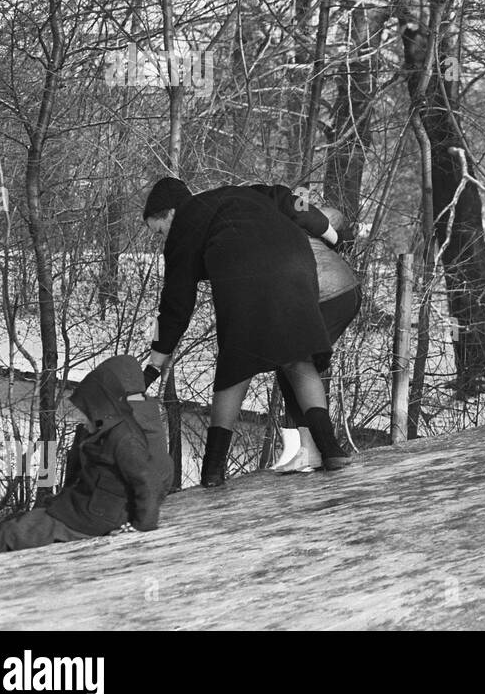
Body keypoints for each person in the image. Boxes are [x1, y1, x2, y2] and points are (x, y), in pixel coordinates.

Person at [141, 177, 349, 487]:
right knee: (298, 358)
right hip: (296, 264)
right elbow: (292, 199)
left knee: (236, 368)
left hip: (243, 275)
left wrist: (154, 364)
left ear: (170, 212)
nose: (162, 238)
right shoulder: (241, 193)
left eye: (159, 230)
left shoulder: (182, 229)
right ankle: (331, 450)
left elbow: (175, 305)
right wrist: (331, 234)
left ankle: (212, 471)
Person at [0, 356, 169, 558]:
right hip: (84, 506)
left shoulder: (129, 430)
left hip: (94, 516)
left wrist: (139, 525)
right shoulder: (123, 417)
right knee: (25, 521)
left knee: (21, 531)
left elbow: (152, 480)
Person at [272, 204, 363, 474]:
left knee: (296, 363)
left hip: (327, 295)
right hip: (339, 292)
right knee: (290, 364)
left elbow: (331, 214)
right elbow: (331, 216)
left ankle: (325, 449)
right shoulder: (291, 219)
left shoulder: (276, 221)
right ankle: (308, 449)